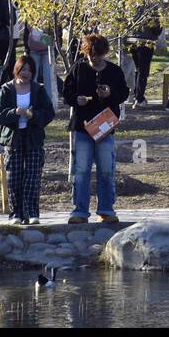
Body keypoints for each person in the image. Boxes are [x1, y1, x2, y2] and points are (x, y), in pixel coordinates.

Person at [63, 34, 129, 222]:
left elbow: (123, 93)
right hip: (83, 127)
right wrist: (76, 99)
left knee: (106, 169)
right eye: (91, 55)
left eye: (98, 55)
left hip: (105, 127)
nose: (94, 59)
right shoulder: (78, 68)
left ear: (104, 53)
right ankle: (80, 211)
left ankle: (106, 209)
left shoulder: (114, 71)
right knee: (81, 170)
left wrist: (109, 94)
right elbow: (66, 92)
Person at [0, 56, 55, 225]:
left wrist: (32, 115)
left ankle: (32, 212)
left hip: (33, 138)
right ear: (16, 70)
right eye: (23, 69)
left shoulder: (38, 89)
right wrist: (14, 113)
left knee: (33, 177)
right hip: (13, 140)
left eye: (30, 70)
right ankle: (16, 214)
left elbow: (49, 113)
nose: (26, 73)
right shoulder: (6, 89)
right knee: (14, 177)